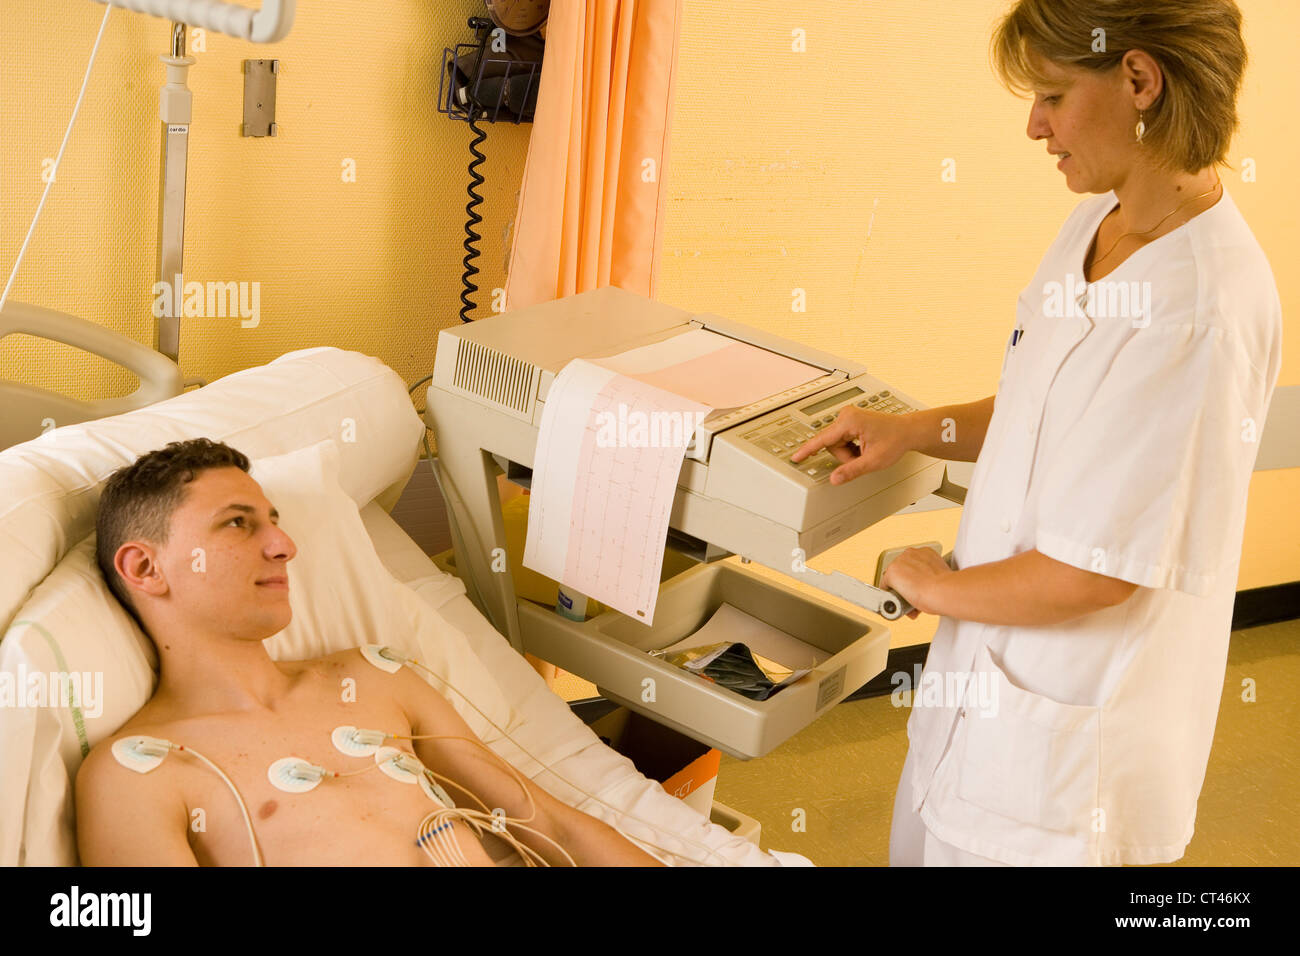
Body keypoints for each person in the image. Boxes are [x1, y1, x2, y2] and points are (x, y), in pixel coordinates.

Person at [792, 0, 1281, 865]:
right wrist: (913, 430)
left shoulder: (1199, 310)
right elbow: (1037, 402)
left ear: (1138, 79)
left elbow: (1097, 576)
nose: (1033, 126)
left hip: (1068, 770)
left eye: (1052, 95)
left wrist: (930, 584)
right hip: (986, 703)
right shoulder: (1096, 225)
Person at [76, 438, 661, 866]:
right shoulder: (139, 772)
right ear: (145, 567)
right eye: (237, 524)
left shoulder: (372, 677)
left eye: (274, 523)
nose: (283, 545)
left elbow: (550, 822)